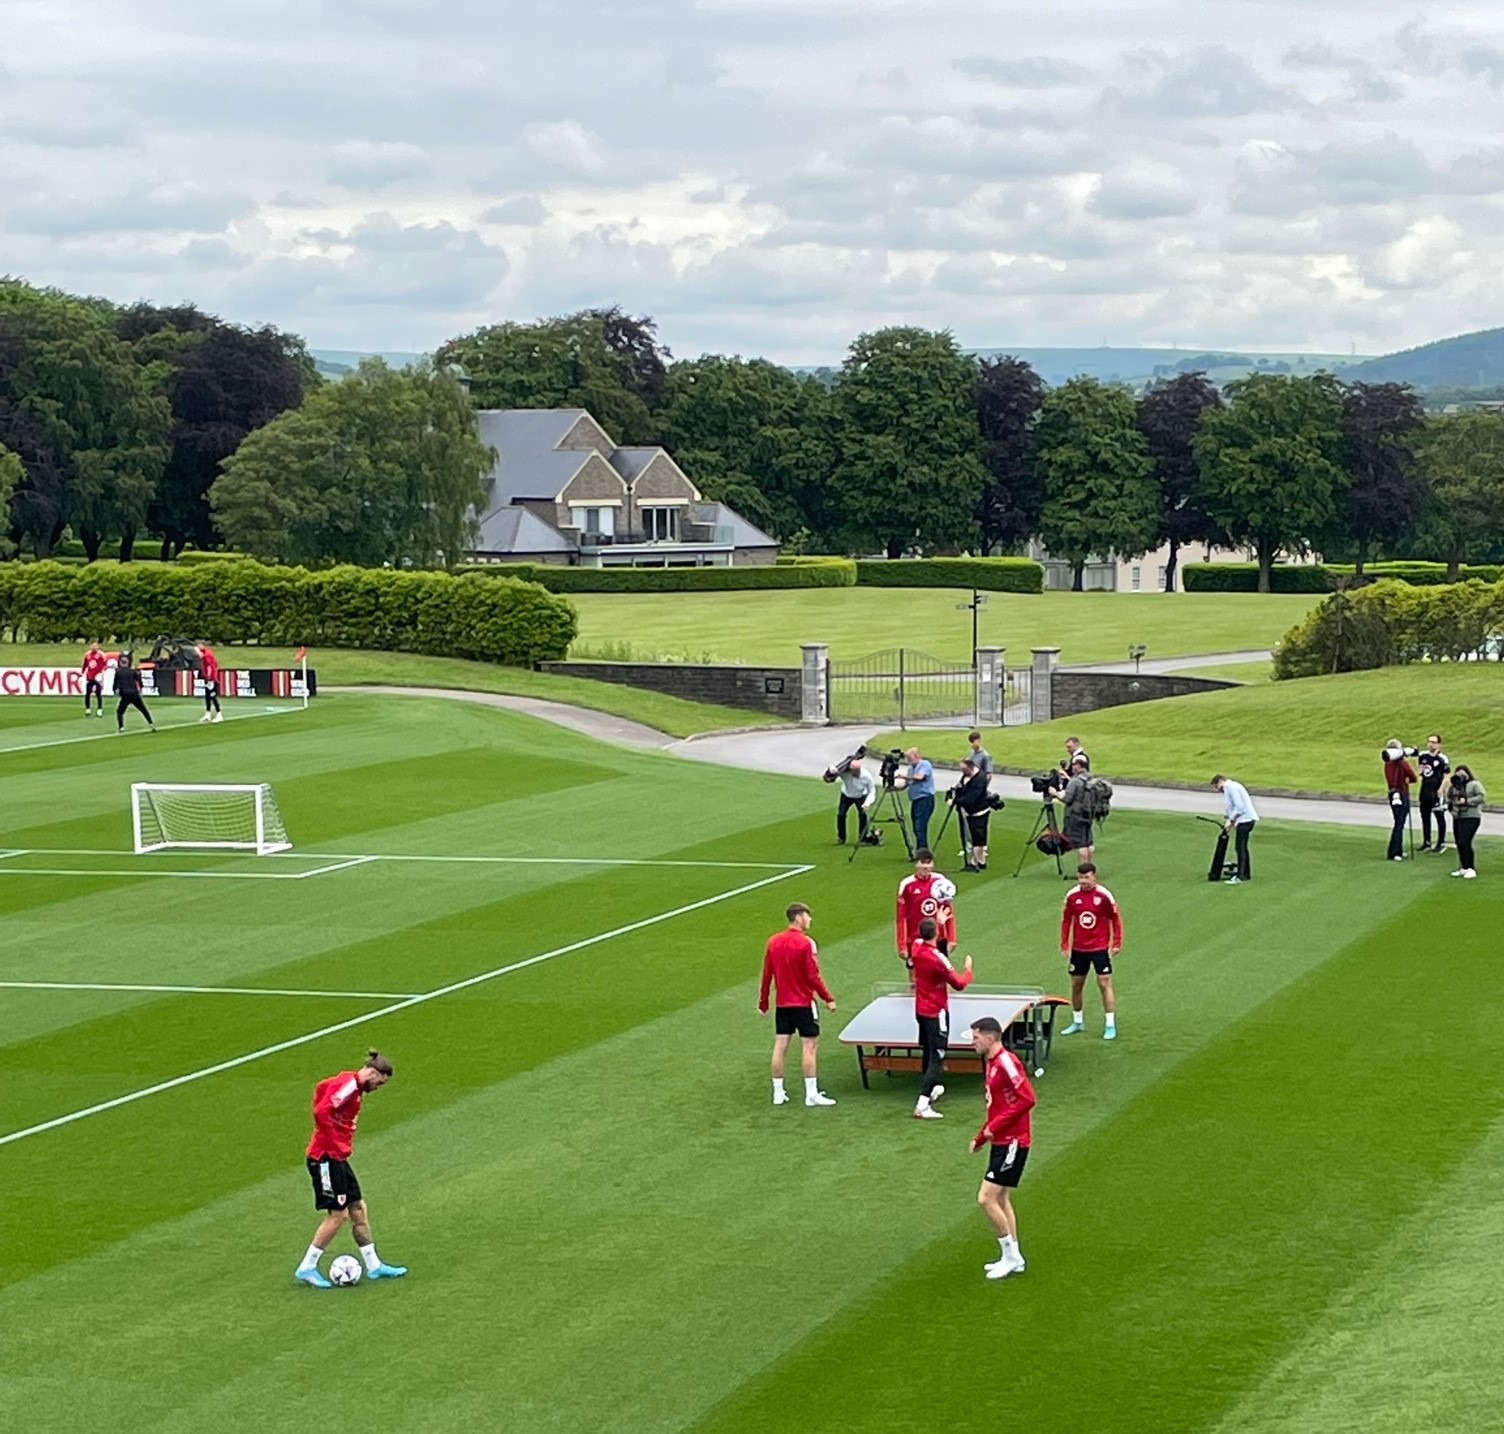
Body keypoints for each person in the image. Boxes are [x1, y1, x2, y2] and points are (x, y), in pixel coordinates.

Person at [295, 1050, 407, 1288]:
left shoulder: (348, 1083)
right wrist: (333, 1140)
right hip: (325, 1158)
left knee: (357, 1207)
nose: (378, 1087)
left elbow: (321, 1087)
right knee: (338, 1214)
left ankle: (374, 1265)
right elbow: (321, 1111)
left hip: (337, 1157)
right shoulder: (349, 1086)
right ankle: (307, 1267)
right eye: (379, 1082)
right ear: (373, 1073)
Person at [968, 1016, 1035, 1281]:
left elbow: (1027, 1098)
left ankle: (1010, 1256)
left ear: (990, 1037)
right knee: (1001, 1198)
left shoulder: (1006, 1062)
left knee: (986, 1198)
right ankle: (1013, 1257)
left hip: (1013, 1141)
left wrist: (995, 1127)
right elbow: (998, 1105)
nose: (973, 1043)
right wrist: (981, 1137)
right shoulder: (992, 1063)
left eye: (975, 1037)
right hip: (1001, 1140)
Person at [758, 902, 838, 1106]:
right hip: (803, 1003)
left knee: (780, 1046)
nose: (810, 920)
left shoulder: (773, 941)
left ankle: (778, 1092)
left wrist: (764, 1001)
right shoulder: (805, 943)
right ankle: (811, 1094)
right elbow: (813, 976)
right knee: (809, 1046)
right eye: (808, 916)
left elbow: (767, 973)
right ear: (799, 917)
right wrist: (828, 998)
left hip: (783, 1004)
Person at [909, 916, 974, 1120]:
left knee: (927, 1051)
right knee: (937, 1056)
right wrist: (969, 970)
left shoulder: (917, 947)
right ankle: (922, 1104)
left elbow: (924, 938)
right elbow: (959, 983)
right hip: (937, 1012)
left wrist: (939, 922)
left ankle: (931, 1090)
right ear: (936, 933)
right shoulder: (938, 959)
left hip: (920, 1010)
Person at [1058, 862, 1123, 1040]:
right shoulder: (1072, 896)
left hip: (1100, 948)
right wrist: (1064, 944)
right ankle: (1077, 1021)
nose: (1082, 881)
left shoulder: (1104, 896)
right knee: (1076, 985)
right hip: (1079, 949)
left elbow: (1115, 919)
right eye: (1080, 877)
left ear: (1094, 876)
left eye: (1086, 877)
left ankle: (1110, 1024)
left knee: (1104, 984)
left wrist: (1116, 942)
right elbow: (1066, 921)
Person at [896, 849, 956, 970]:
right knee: (915, 980)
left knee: (941, 978)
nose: (926, 866)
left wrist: (952, 938)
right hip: (915, 940)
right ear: (916, 864)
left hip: (938, 938)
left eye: (929, 863)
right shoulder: (907, 885)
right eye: (922, 863)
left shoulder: (940, 882)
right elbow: (901, 918)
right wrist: (902, 945)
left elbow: (948, 911)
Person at [948, 758, 994, 871]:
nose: (962, 772)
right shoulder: (967, 776)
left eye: (964, 769)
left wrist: (955, 801)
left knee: (978, 837)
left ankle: (977, 861)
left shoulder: (979, 779)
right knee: (975, 836)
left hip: (978, 811)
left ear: (971, 767)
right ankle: (979, 860)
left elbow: (971, 798)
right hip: (971, 811)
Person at [1211, 774, 1258, 883]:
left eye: (1217, 786)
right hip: (1246, 819)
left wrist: (1231, 820)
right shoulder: (1232, 786)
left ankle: (1240, 876)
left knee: (1240, 847)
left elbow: (1239, 807)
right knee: (1243, 847)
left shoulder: (1229, 787)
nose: (1218, 790)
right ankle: (1246, 873)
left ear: (1221, 781)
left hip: (1245, 820)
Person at [1446, 765, 1485, 879]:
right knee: (1459, 842)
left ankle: (1470, 867)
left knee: (1465, 841)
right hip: (1458, 817)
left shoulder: (1474, 784)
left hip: (1471, 817)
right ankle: (1464, 866)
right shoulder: (1455, 786)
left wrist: (1467, 801)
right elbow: (1449, 797)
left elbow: (1481, 796)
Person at [1383, 739, 1418, 862]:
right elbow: (1413, 777)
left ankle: (1397, 849)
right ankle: (1393, 852)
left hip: (1392, 793)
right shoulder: (1402, 763)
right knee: (1399, 823)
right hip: (1401, 793)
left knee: (1398, 822)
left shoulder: (1387, 763)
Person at [1057, 754, 1094, 865]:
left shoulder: (1075, 781)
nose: (1072, 767)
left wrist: (1055, 794)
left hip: (1075, 815)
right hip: (1088, 814)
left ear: (1078, 765)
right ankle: (1089, 867)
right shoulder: (1090, 778)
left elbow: (1067, 798)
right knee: (1088, 842)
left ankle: (1084, 868)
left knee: (1080, 844)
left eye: (1073, 764)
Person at [1417, 733, 1450, 855]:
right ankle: (1427, 841)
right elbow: (1420, 770)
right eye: (1429, 741)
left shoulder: (1442, 758)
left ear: (1438, 744)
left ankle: (1441, 842)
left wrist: (1441, 789)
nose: (1431, 744)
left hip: (1436, 790)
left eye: (1433, 742)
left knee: (1439, 816)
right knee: (1425, 816)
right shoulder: (1423, 756)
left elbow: (1447, 776)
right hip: (1425, 789)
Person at [833, 756, 875, 845]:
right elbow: (831, 776)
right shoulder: (845, 773)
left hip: (860, 795)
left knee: (863, 815)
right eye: (853, 770)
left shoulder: (866, 776)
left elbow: (872, 791)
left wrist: (867, 803)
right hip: (846, 795)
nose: (856, 772)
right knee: (841, 814)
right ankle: (841, 837)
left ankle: (862, 837)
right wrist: (832, 770)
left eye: (857, 770)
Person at [904, 746, 936, 852]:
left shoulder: (925, 764)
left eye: (909, 757)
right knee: (916, 826)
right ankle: (922, 848)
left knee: (920, 825)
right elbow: (907, 784)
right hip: (915, 799)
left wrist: (905, 777)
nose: (908, 760)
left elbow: (919, 777)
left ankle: (922, 850)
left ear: (916, 756)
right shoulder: (910, 769)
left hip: (925, 798)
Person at [112, 655, 155, 734]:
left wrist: (115, 691)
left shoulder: (118, 672)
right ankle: (151, 724)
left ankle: (121, 727)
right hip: (134, 693)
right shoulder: (132, 671)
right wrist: (141, 689)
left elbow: (115, 683)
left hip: (125, 694)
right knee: (143, 709)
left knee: (120, 711)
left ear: (121, 663)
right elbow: (139, 680)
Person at [198, 641, 223, 724]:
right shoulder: (205, 653)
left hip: (212, 678)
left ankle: (219, 714)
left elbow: (210, 667)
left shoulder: (207, 655)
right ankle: (208, 714)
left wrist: (209, 678)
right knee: (207, 696)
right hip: (208, 678)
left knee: (213, 696)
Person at [81, 641, 108, 719]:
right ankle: (88, 708)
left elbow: (105, 664)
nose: (94, 647)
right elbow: (85, 664)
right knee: (88, 693)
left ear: (98, 646)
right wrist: (82, 672)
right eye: (92, 646)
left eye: (95, 646)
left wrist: (102, 672)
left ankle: (99, 709)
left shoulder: (101, 654)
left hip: (97, 676)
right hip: (90, 676)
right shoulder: (87, 654)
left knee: (98, 693)